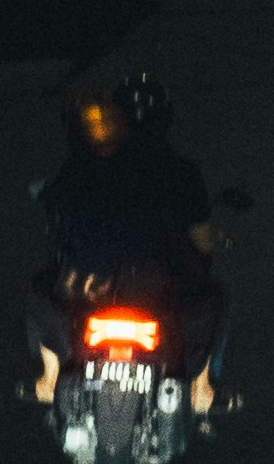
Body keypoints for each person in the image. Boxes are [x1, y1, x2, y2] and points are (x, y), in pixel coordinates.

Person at [36, 72, 231, 406]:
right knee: (216, 298)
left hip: (86, 279)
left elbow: (58, 210)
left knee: (41, 292)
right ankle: (201, 388)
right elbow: (200, 238)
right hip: (158, 279)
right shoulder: (181, 170)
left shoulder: (83, 163)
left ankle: (50, 377)